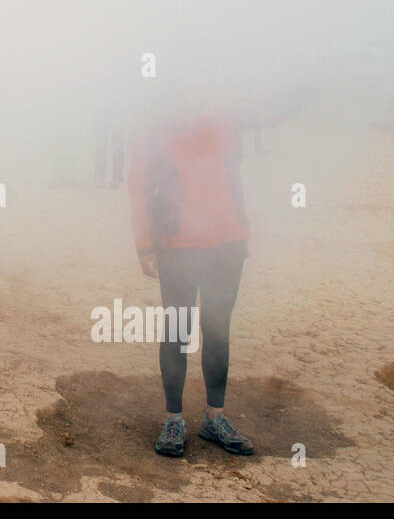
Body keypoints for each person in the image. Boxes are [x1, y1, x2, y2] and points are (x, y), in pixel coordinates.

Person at [128, 87, 303, 458]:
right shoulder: (154, 125)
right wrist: (144, 244)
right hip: (177, 243)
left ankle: (214, 417)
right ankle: (174, 419)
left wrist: (309, 81)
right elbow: (139, 185)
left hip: (227, 240)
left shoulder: (226, 112)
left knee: (218, 328)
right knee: (177, 329)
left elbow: (269, 109)